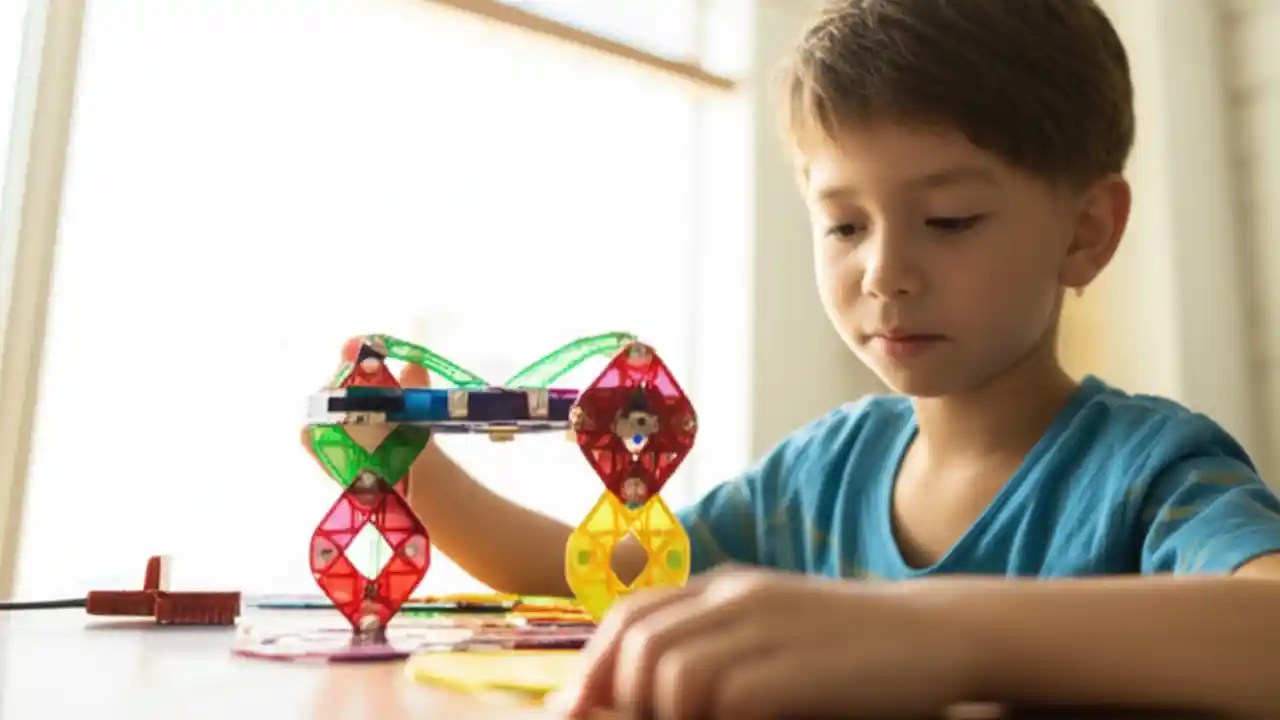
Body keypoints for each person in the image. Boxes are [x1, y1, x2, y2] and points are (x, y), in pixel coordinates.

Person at [305, 1, 1280, 717]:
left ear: (1084, 233)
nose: (884, 272)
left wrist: (928, 636)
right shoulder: (819, 474)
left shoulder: (1146, 473)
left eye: (947, 220)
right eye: (843, 223)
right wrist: (411, 464)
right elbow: (590, 575)